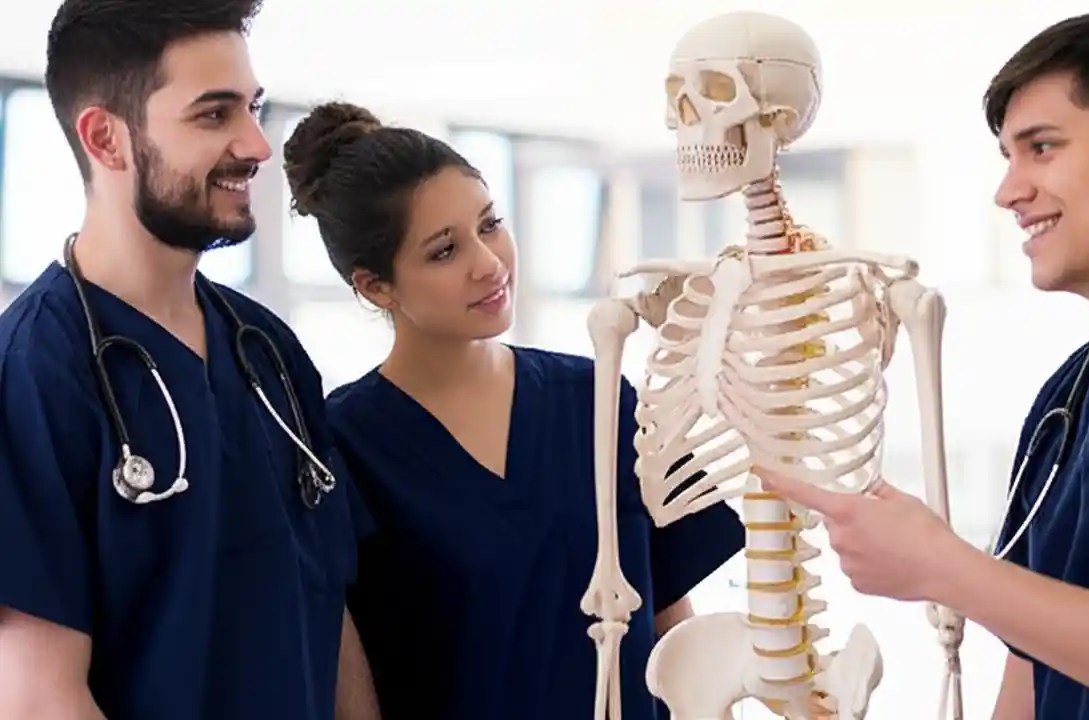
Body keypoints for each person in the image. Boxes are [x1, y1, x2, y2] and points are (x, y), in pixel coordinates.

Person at [761, 10, 1089, 720]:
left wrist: (944, 567)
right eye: (1009, 157)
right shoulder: (1063, 408)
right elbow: (1030, 684)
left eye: (1041, 149)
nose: (1008, 191)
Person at [278, 100, 746, 719]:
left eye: (490, 224)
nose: (489, 262)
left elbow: (672, 618)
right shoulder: (340, 447)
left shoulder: (602, 398)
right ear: (375, 285)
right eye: (444, 251)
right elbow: (346, 681)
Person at [0, 2, 380, 718]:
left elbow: (327, 617)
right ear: (105, 138)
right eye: (214, 116)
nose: (257, 146)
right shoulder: (33, 375)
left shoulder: (268, 351)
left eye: (253, 107)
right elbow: (36, 695)